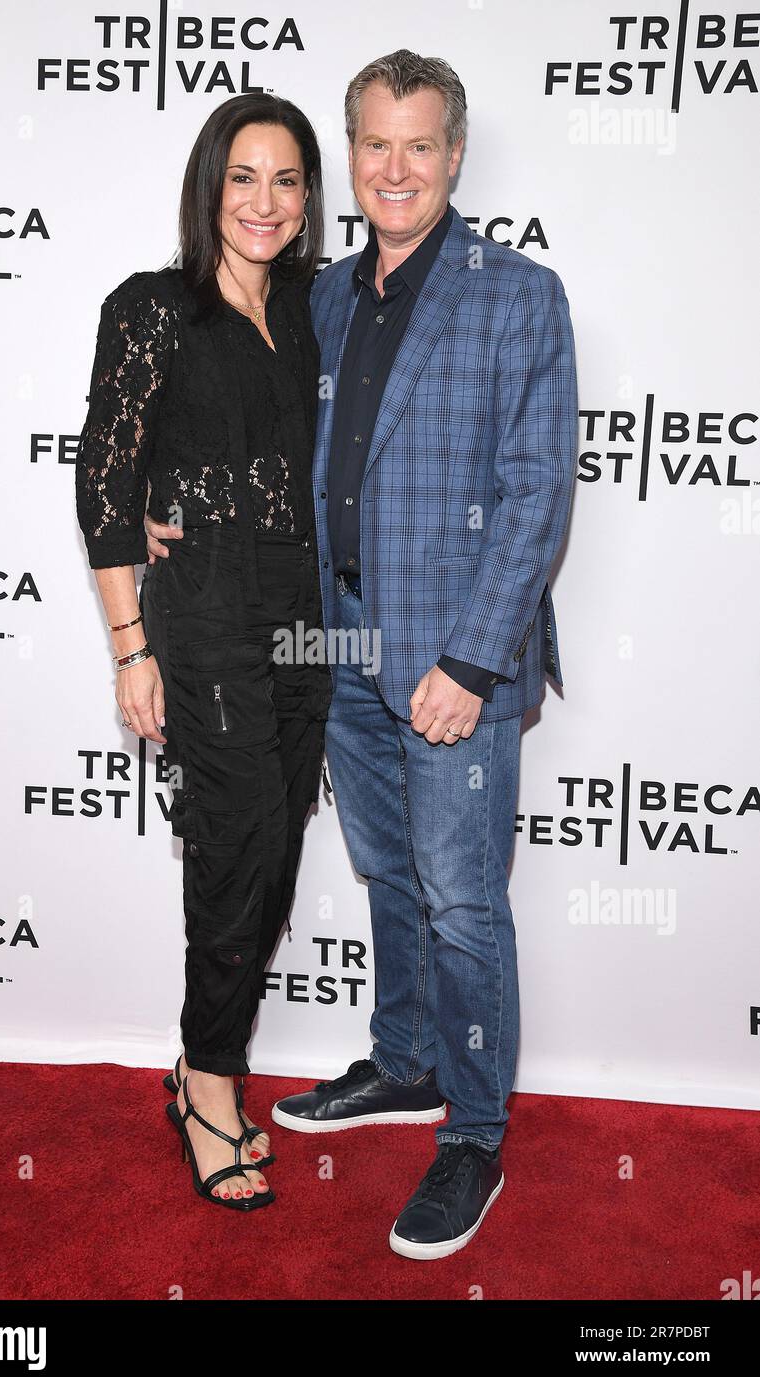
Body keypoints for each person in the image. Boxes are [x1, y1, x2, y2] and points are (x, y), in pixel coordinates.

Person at [267, 49, 578, 1260]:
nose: (395, 168)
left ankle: (476, 1130)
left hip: (452, 656)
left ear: (454, 156)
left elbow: (536, 491)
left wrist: (472, 661)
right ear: (351, 160)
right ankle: (404, 1064)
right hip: (340, 640)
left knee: (460, 899)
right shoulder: (326, 295)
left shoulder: (517, 294)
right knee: (388, 876)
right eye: (374, 145)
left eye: (419, 145)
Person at [75, 93, 332, 1212]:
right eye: (243, 177)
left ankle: (200, 1060)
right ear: (207, 184)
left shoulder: (322, 305)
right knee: (235, 851)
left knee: (274, 861)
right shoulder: (151, 310)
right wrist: (132, 646)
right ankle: (211, 1087)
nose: (264, 202)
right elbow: (104, 487)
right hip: (207, 612)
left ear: (308, 195)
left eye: (285, 180)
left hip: (309, 612)